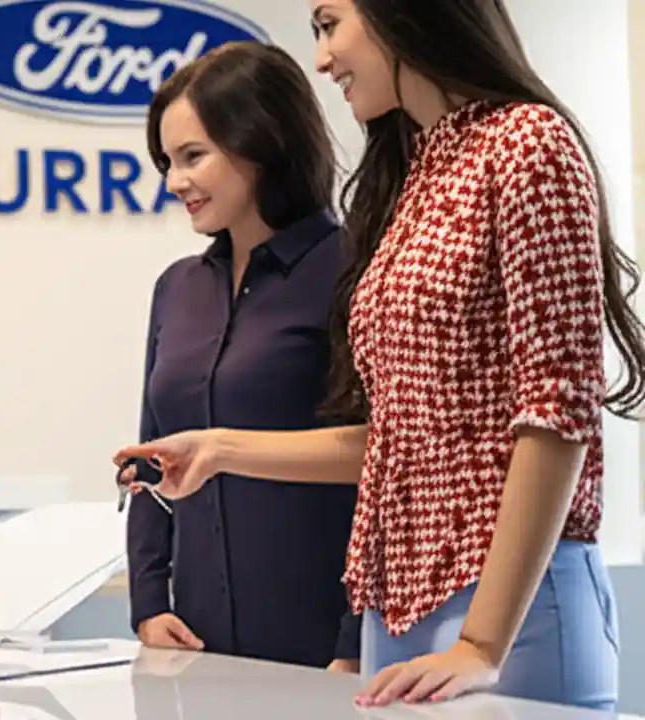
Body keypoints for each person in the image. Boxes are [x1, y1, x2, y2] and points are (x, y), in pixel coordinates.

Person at [115, 0, 643, 710]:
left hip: (505, 608)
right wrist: (217, 449)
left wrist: (482, 643)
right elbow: (399, 438)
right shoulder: (414, 174)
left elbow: (557, 412)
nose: (322, 59)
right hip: (396, 607)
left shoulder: (529, 144)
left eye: (330, 25)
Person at [119, 41, 360, 672]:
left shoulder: (357, 268)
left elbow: (387, 472)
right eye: (167, 162)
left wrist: (357, 642)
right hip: (196, 649)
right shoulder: (177, 288)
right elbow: (150, 459)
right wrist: (148, 602)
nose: (175, 182)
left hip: (325, 648)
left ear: (262, 141)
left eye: (193, 156)